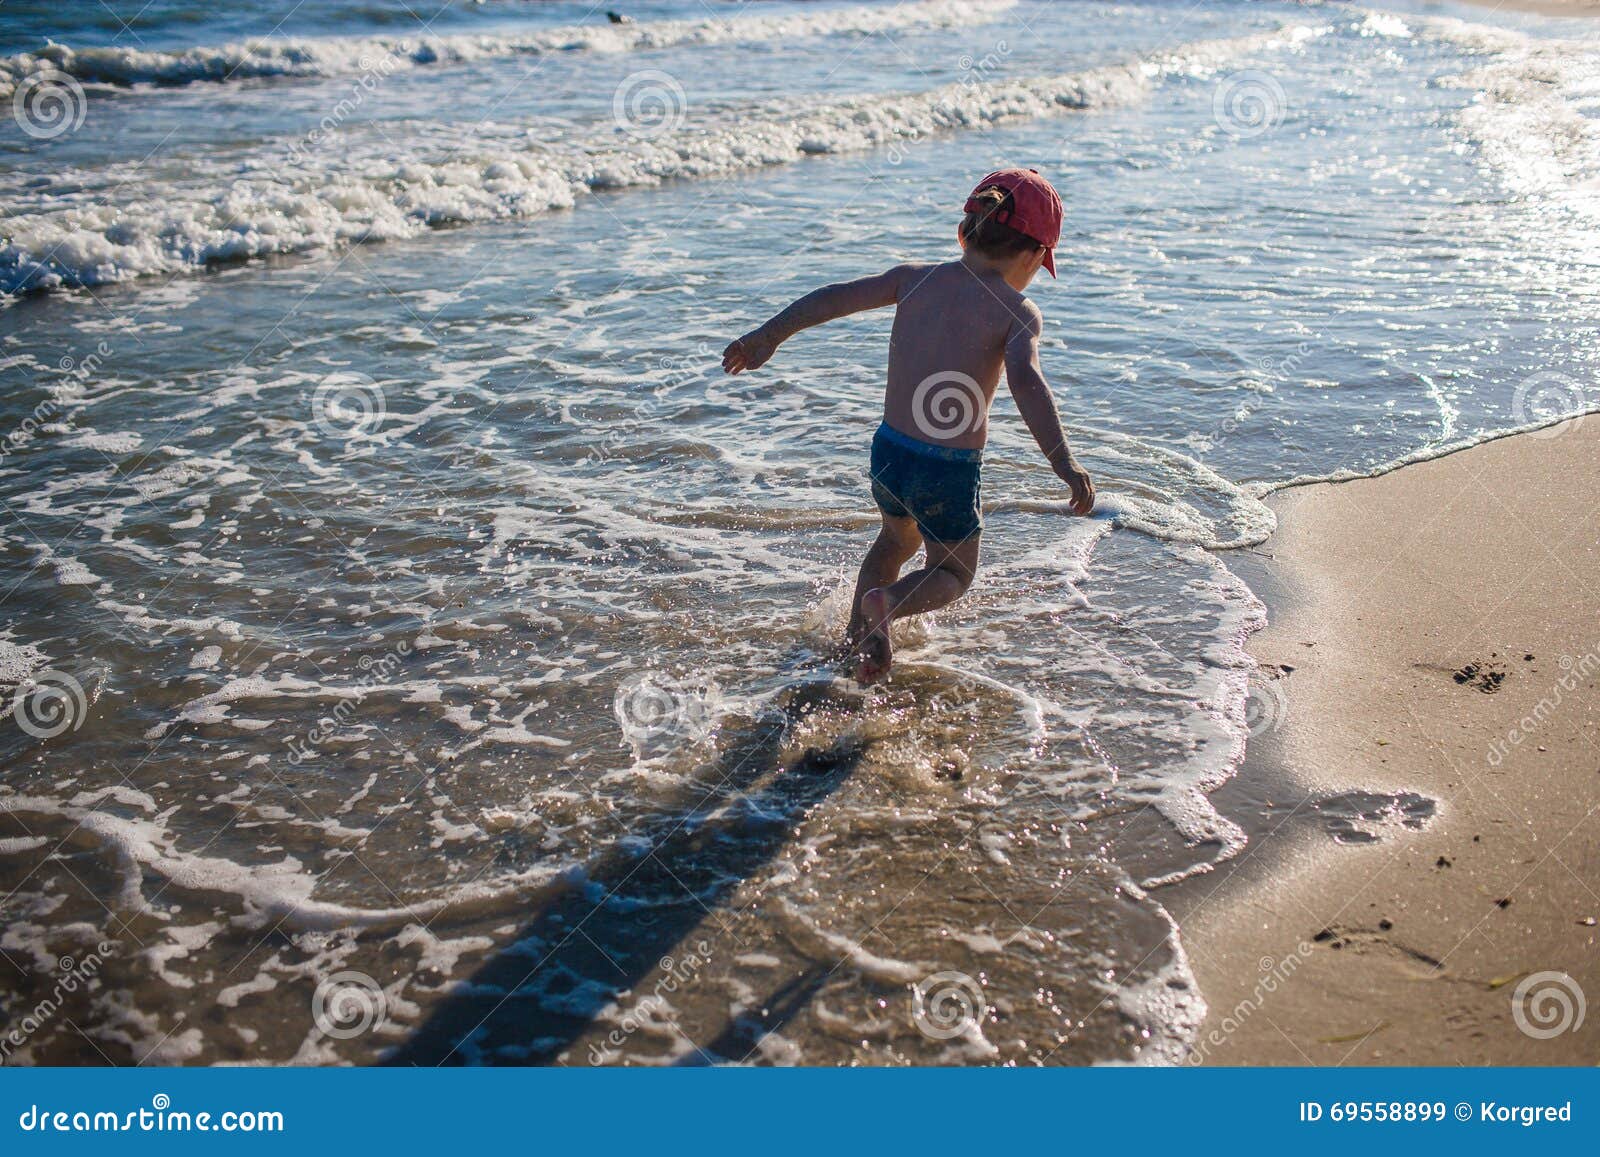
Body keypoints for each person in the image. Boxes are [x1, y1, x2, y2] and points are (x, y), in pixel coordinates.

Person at [721, 168, 1095, 681]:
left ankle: (860, 646)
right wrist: (1064, 461)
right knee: (953, 572)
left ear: (965, 229)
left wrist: (769, 335)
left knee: (893, 544)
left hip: (890, 455)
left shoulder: (912, 278)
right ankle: (886, 606)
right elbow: (1027, 383)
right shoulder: (1018, 312)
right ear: (1034, 256)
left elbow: (833, 297)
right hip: (948, 471)